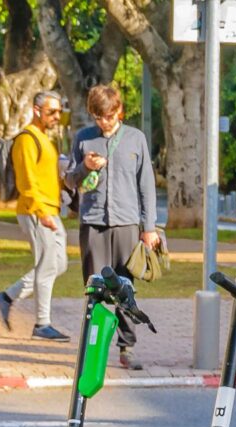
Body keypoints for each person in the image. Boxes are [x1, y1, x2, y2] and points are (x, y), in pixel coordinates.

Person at [65, 84, 160, 368]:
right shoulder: (83, 138)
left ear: (119, 110)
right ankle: (92, 348)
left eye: (108, 116)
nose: (104, 122)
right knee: (94, 287)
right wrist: (85, 166)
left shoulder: (135, 138)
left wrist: (149, 227)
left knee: (125, 286)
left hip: (127, 223)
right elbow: (69, 180)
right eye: (98, 117)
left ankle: (127, 347)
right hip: (93, 222)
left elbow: (147, 185)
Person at [0, 91, 71, 342]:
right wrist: (41, 212)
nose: (57, 116)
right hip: (36, 211)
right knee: (47, 265)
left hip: (51, 210)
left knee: (59, 264)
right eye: (51, 112)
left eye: (59, 112)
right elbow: (26, 181)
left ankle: (7, 296)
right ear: (37, 110)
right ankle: (42, 323)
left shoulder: (45, 139)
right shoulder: (27, 139)